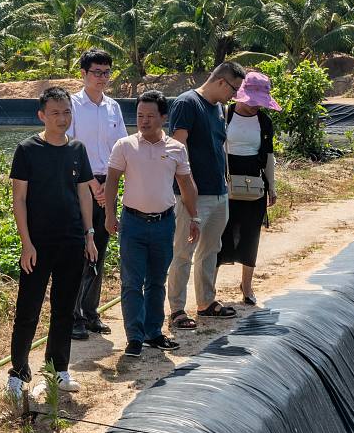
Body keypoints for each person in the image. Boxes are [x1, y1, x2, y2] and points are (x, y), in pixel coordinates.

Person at [7, 87, 98, 400]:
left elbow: (83, 193)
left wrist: (89, 235)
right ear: (42, 115)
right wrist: (26, 243)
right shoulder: (27, 149)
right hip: (38, 244)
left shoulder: (77, 149)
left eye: (67, 112)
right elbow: (19, 199)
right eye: (56, 113)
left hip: (72, 241)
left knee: (64, 311)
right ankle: (17, 374)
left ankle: (58, 370)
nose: (62, 118)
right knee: (28, 310)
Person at [105, 91, 201, 355]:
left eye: (149, 116)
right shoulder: (124, 145)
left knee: (157, 280)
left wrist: (194, 217)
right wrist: (109, 215)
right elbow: (112, 180)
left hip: (164, 222)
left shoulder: (176, 148)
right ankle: (134, 337)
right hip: (132, 223)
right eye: (139, 116)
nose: (144, 121)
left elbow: (187, 185)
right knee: (132, 282)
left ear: (163, 117)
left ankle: (154, 332)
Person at [165, 61, 247, 330]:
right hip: (193, 194)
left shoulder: (219, 108)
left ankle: (206, 302)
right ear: (221, 82)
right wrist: (188, 189)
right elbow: (178, 147)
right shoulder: (187, 103)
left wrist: (225, 180)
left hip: (218, 190)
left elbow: (219, 146)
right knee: (183, 251)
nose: (234, 96)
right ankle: (176, 309)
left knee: (211, 249)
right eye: (233, 89)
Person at [67, 49, 128, 341]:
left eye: (106, 72)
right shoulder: (72, 106)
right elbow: (69, 150)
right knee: (81, 248)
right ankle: (73, 314)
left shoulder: (113, 107)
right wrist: (92, 185)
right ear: (83, 74)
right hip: (80, 184)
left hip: (108, 184)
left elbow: (121, 149)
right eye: (96, 72)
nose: (102, 78)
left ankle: (91, 312)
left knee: (99, 248)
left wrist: (111, 187)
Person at [217, 71, 280, 306]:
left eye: (259, 103)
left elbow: (269, 156)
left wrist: (271, 187)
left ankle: (246, 285)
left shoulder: (264, 121)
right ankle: (209, 288)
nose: (255, 107)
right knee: (221, 234)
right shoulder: (225, 115)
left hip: (254, 183)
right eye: (252, 102)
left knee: (251, 234)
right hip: (226, 181)